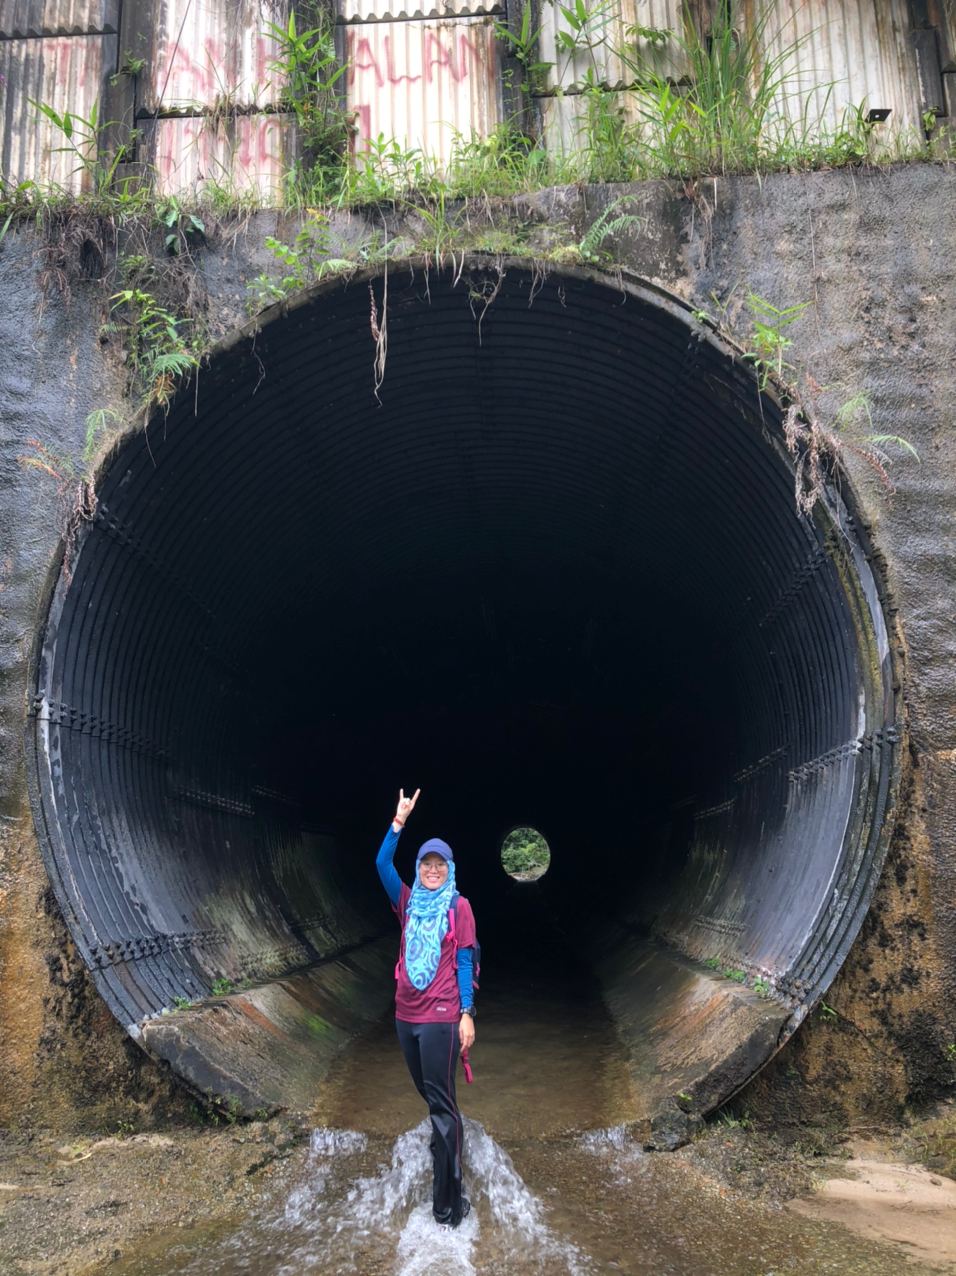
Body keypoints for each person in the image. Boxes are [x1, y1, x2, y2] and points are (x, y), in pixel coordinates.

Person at [376, 787, 477, 1228]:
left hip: (440, 1016)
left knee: (441, 1106)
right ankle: (449, 1159)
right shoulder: (407, 902)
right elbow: (381, 864)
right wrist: (398, 822)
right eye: (426, 865)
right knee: (432, 1098)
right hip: (405, 1015)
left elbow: (465, 960)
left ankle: (448, 1207)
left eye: (440, 865)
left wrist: (467, 1013)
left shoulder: (460, 907)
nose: (433, 871)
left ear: (449, 869)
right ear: (419, 870)